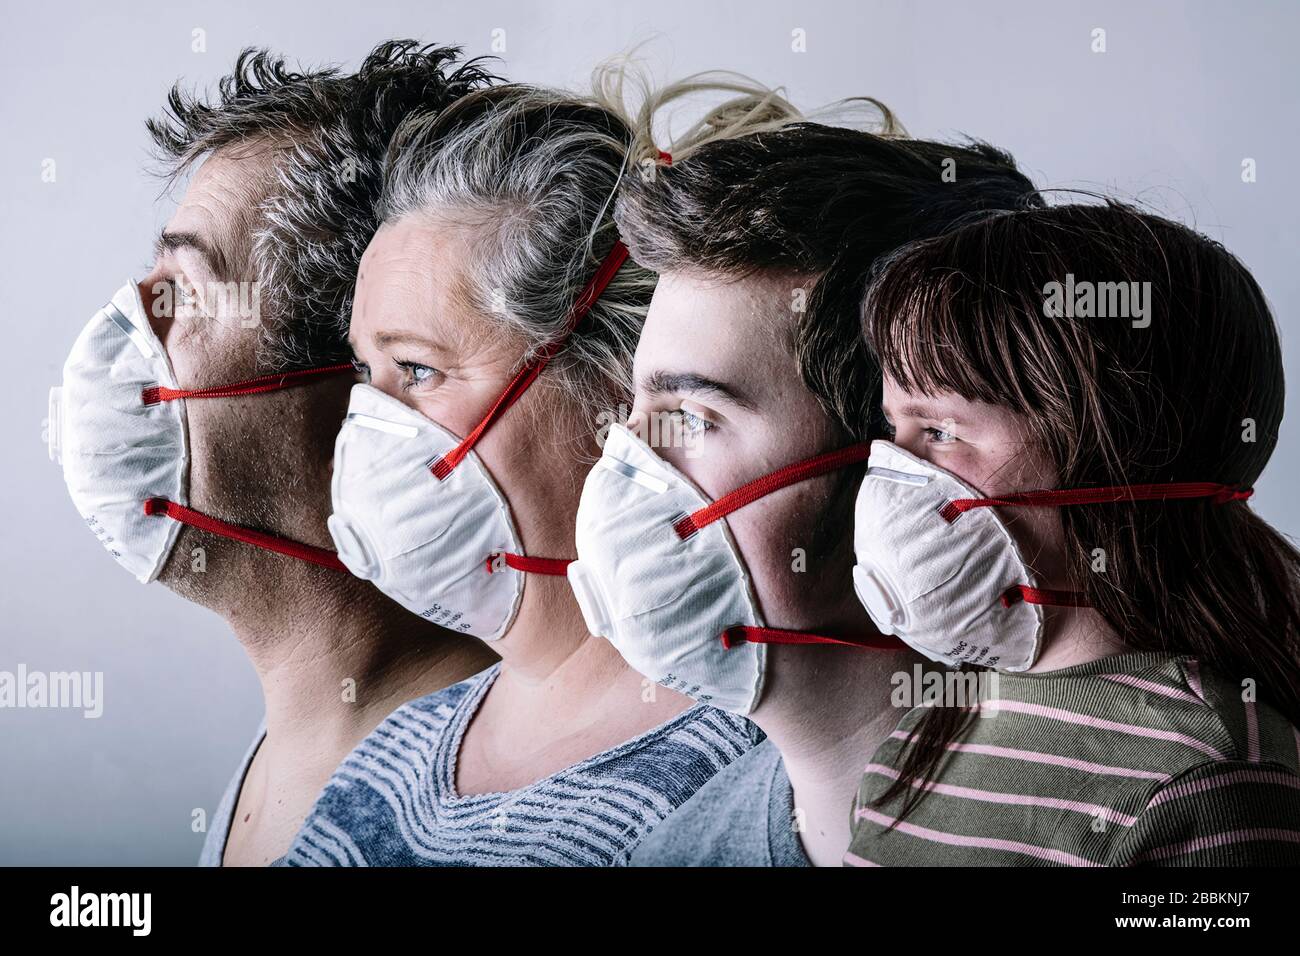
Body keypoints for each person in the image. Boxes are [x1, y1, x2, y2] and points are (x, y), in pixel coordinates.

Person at [278, 79, 793, 867]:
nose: (371, 426)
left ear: (614, 386)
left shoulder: (754, 775)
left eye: (417, 371)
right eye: (365, 373)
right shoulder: (390, 755)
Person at [48, 41, 499, 866]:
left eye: (182, 291)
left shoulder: (495, 813)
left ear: (367, 394)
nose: (123, 325)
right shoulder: (292, 749)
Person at [569, 120, 1042, 865]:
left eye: (689, 418)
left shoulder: (1142, 820)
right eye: (637, 415)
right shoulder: (671, 853)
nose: (625, 467)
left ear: (905, 472)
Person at [847, 201, 1300, 865]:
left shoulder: (1208, 777)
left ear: (1113, 449)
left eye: (939, 431)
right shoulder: (930, 730)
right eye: (896, 430)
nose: (893, 473)